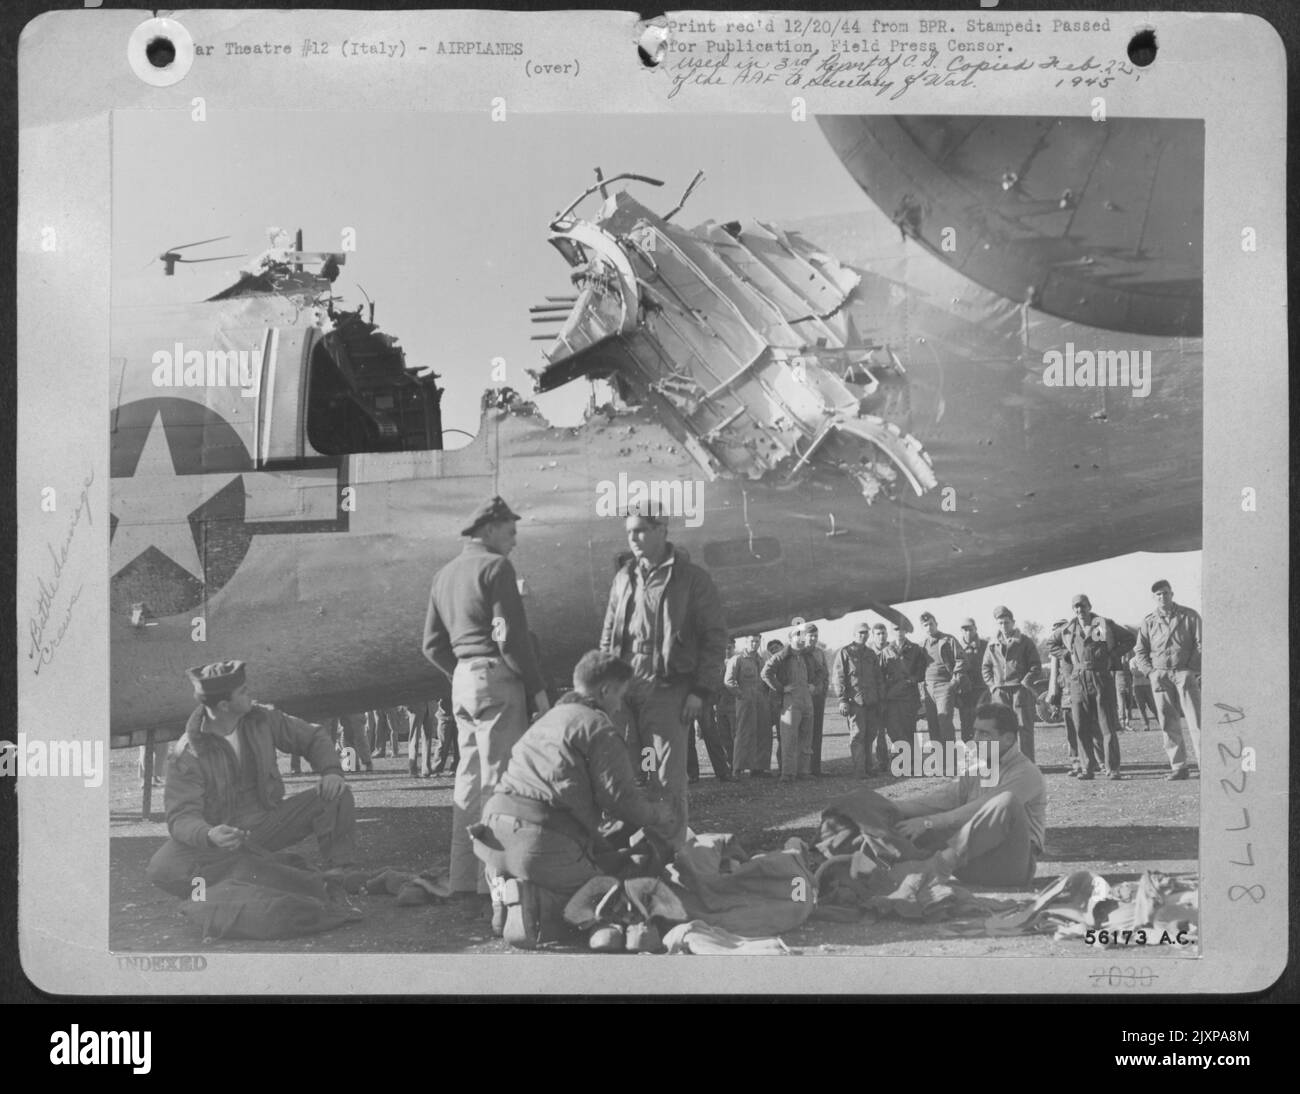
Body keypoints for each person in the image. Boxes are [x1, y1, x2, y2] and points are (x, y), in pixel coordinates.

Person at [423, 496, 550, 898]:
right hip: (496, 678)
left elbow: (431, 645)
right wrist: (536, 688)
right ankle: (494, 887)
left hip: (461, 679)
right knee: (498, 784)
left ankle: (463, 882)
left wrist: (465, 671)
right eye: (510, 532)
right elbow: (509, 638)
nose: (514, 540)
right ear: (489, 529)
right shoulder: (496, 567)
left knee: (468, 782)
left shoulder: (443, 575)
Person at [474, 651, 675, 899]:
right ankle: (539, 901)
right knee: (624, 884)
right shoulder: (600, 723)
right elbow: (622, 794)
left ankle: (507, 885)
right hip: (540, 838)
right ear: (606, 691)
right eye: (619, 696)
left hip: (493, 832)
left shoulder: (548, 719)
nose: (620, 704)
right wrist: (655, 809)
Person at [146, 661, 356, 898]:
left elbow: (312, 736)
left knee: (336, 793)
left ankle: (340, 872)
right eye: (243, 692)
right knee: (162, 868)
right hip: (222, 839)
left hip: (269, 823)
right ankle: (256, 873)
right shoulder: (189, 752)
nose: (251, 694)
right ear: (224, 705)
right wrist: (209, 834)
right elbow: (181, 815)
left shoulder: (261, 719)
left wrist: (331, 771)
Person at [599, 509, 727, 848]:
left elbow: (715, 638)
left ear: (662, 530)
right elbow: (609, 633)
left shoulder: (691, 579)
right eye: (630, 532)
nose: (634, 539)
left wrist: (700, 690)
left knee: (665, 779)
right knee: (629, 773)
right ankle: (629, 852)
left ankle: (668, 854)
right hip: (625, 691)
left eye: (641, 531)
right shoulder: (624, 578)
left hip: (667, 692)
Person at [893, 702, 1046, 887]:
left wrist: (928, 822)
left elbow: (979, 809)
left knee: (1006, 802)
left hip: (1011, 867)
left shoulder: (1026, 772)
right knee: (905, 821)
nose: (976, 740)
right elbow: (939, 800)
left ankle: (936, 867)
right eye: (975, 732)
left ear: (1008, 739)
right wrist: (893, 807)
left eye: (984, 734)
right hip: (970, 861)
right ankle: (885, 865)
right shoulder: (977, 770)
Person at [1047, 594, 1135, 781]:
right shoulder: (1068, 629)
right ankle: (1087, 768)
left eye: (1083, 606)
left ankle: (1113, 768)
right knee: (1081, 726)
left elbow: (1129, 639)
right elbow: (1050, 643)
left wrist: (1113, 656)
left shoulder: (1102, 624)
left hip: (1100, 676)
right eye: (1076, 607)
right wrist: (1066, 654)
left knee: (1107, 725)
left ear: (1090, 606)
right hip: (1078, 679)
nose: (1080, 610)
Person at [1133, 580, 1203, 780]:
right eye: (1158, 594)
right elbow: (1140, 650)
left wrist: (1192, 670)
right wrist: (1150, 673)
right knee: (1168, 722)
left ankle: (1206, 765)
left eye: (1165, 593)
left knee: (1196, 721)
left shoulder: (1189, 615)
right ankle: (1179, 767)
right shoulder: (1149, 621)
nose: (1162, 597)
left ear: (1172, 594)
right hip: (1161, 675)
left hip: (1184, 674)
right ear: (1153, 598)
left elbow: (1201, 643)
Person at [980, 605, 1043, 763]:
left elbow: (1036, 666)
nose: (1004, 626)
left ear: (1013, 622)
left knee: (1024, 728)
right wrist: (992, 686)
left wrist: (1025, 682)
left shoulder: (1024, 642)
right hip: (1000, 693)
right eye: (1000, 623)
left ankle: (1028, 763)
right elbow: (985, 667)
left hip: (1019, 691)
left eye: (1006, 622)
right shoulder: (992, 644)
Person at [761, 625, 816, 782]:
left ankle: (803, 772)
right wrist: (781, 688)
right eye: (797, 635)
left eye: (803, 635)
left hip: (807, 700)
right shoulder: (782, 656)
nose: (801, 639)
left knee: (806, 737)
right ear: (790, 638)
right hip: (790, 701)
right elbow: (765, 673)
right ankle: (787, 773)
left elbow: (821, 672)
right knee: (789, 738)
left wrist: (815, 685)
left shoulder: (808, 655)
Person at [832, 622, 885, 778]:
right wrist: (842, 699)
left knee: (870, 735)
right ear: (854, 634)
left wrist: (881, 699)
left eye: (866, 633)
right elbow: (839, 677)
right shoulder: (845, 652)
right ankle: (859, 770)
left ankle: (869, 767)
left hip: (872, 701)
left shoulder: (871, 654)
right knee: (857, 736)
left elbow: (878, 678)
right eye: (861, 632)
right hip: (855, 702)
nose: (864, 635)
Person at [878, 621, 922, 770]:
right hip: (893, 697)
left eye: (902, 629)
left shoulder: (915, 649)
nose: (899, 631)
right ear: (892, 630)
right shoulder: (886, 651)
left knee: (910, 728)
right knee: (894, 729)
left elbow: (921, 671)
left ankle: (913, 763)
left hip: (909, 695)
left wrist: (912, 680)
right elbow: (880, 674)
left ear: (906, 631)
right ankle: (901, 760)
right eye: (896, 628)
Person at [918, 611, 962, 745]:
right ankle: (938, 760)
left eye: (931, 624)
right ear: (922, 628)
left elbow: (961, 659)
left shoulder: (949, 640)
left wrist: (954, 681)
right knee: (932, 723)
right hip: (928, 688)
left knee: (944, 722)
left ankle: (950, 761)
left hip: (944, 686)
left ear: (936, 624)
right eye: (925, 625)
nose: (929, 627)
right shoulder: (921, 645)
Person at [724, 635, 765, 778]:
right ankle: (738, 768)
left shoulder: (760, 659)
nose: (754, 644)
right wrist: (740, 694)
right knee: (742, 733)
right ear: (746, 642)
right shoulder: (738, 659)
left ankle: (756, 767)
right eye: (752, 641)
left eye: (757, 641)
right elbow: (728, 681)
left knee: (759, 732)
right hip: (744, 699)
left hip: (759, 700)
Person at [954, 618, 989, 741]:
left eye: (970, 629)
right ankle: (969, 759)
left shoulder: (986, 646)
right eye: (965, 629)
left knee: (985, 726)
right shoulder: (956, 647)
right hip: (965, 695)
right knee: (967, 727)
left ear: (976, 629)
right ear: (961, 631)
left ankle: (988, 759)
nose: (968, 632)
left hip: (983, 692)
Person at [802, 624, 830, 776]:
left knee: (816, 733)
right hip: (802, 698)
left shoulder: (819, 653)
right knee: (803, 733)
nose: (813, 639)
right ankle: (803, 768)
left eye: (815, 636)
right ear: (804, 636)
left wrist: (821, 691)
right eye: (810, 635)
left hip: (818, 698)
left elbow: (825, 675)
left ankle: (815, 768)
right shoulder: (798, 652)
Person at [1127, 651, 1159, 731]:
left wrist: (1143, 671)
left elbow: (1152, 670)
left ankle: (1162, 722)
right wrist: (1145, 671)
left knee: (1153, 706)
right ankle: (1146, 725)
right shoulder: (1132, 661)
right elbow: (1135, 673)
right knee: (1141, 707)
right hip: (1137, 687)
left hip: (1148, 685)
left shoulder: (1147, 659)